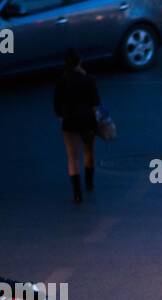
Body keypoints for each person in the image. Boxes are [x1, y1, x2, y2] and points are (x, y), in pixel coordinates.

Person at [53, 49, 100, 204]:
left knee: (72, 156)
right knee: (88, 151)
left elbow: (57, 107)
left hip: (70, 120)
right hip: (87, 119)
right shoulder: (89, 80)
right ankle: (89, 183)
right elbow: (95, 104)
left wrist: (62, 118)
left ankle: (77, 193)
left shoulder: (61, 82)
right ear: (79, 63)